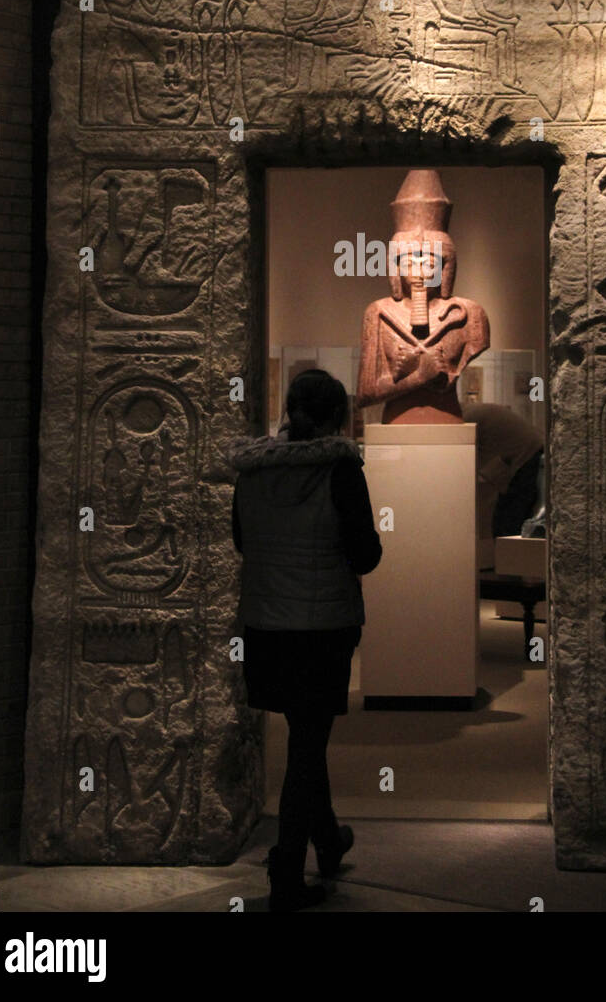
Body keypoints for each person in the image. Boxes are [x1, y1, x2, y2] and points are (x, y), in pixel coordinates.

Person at [230, 368, 382, 912]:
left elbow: (242, 541)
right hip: (321, 628)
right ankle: (286, 878)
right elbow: (366, 553)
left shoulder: (252, 471)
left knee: (303, 739)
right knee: (306, 746)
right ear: (337, 415)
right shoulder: (340, 469)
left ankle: (328, 841)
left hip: (267, 625)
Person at [461, 402, 544, 552]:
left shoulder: (467, 418)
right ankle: (513, 568)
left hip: (527, 459)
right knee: (510, 520)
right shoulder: (474, 412)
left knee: (507, 524)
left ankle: (512, 569)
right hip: (530, 455)